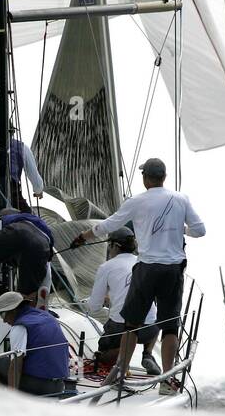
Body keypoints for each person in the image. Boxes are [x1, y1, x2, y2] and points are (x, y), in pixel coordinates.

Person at [72, 157, 203, 390]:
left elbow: (109, 225)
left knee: (131, 324)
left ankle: (120, 374)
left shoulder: (137, 201)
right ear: (164, 177)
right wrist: (180, 229)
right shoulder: (182, 199)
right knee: (171, 325)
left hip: (147, 268)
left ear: (145, 178)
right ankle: (167, 380)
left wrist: (84, 236)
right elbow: (200, 231)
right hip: (173, 270)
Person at [85, 227, 160, 376]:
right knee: (152, 314)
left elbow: (94, 307)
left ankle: (120, 353)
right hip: (150, 329)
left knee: (103, 349)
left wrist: (99, 301)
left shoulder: (106, 267)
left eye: (109, 245)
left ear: (115, 246)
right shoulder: (145, 262)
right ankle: (147, 353)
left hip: (122, 328)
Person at [0, 291, 70, 396]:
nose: (4, 321)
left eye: (2, 315)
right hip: (59, 385)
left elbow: (16, 365)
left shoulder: (20, 326)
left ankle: (1, 401)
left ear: (13, 310)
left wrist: (13, 397)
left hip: (40, 385)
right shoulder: (47, 316)